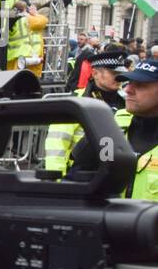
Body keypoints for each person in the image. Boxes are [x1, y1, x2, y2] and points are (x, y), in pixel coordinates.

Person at [68, 57, 158, 200]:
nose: (128, 89)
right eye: (129, 83)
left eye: (140, 85)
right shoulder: (112, 124)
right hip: (107, 221)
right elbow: (76, 178)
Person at [44, 44, 126, 176]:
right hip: (81, 175)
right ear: (95, 73)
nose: (119, 78)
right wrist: (56, 180)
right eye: (114, 73)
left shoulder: (127, 102)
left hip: (115, 176)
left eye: (121, 74)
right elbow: (57, 144)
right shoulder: (76, 102)